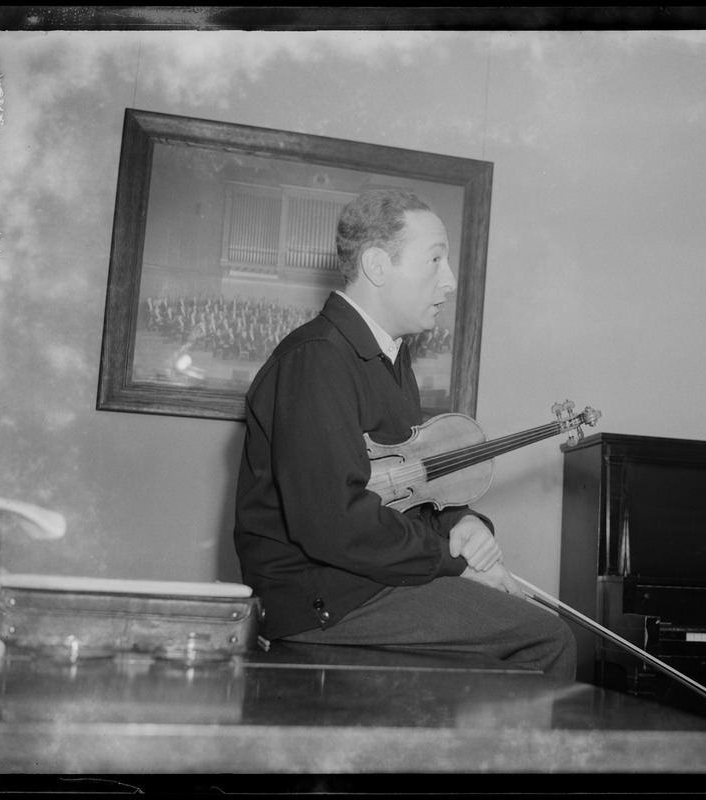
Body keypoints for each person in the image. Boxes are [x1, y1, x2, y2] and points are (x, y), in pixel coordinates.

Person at [233, 188, 576, 679]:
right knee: (547, 639)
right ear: (377, 265)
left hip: (358, 583)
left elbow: (405, 491)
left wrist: (460, 524)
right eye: (435, 259)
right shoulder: (317, 360)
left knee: (531, 622)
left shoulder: (389, 358)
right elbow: (335, 522)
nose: (450, 280)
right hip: (322, 599)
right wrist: (454, 563)